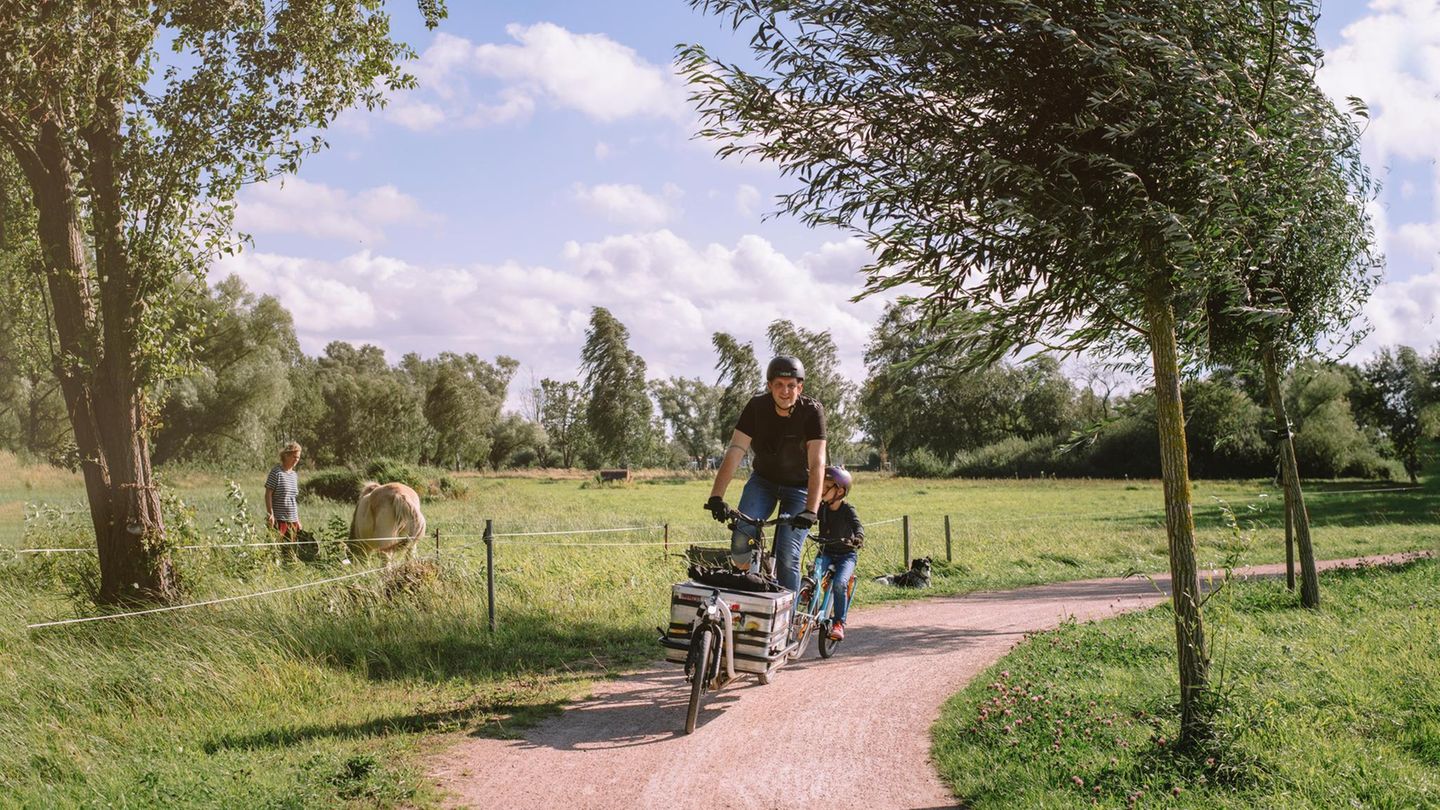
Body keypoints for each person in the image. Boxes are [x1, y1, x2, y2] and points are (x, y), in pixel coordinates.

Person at [704, 355, 827, 592]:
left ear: (800, 387)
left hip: (799, 487)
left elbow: (818, 462)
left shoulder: (812, 412)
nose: (785, 391)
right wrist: (716, 497)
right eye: (779, 385)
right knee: (741, 540)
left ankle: (787, 620)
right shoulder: (756, 408)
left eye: (792, 385)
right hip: (764, 482)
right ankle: (754, 581)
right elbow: (736, 450)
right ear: (769, 385)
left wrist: (811, 510)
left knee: (788, 555)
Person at [809, 465, 862, 641]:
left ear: (839, 492)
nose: (821, 490)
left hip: (846, 555)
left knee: (840, 584)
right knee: (813, 575)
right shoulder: (821, 508)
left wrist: (858, 537)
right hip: (826, 551)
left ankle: (839, 622)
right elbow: (810, 517)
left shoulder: (847, 510)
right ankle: (808, 600)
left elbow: (857, 526)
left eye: (826, 487)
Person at [265, 441, 303, 547]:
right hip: (279, 520)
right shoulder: (276, 472)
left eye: (298, 458)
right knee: (276, 550)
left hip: (293, 521)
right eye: (294, 457)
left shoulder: (294, 475)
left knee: (291, 553)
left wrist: (298, 520)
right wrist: (270, 514)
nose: (296, 460)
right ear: (286, 455)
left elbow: (293, 500)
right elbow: (268, 494)